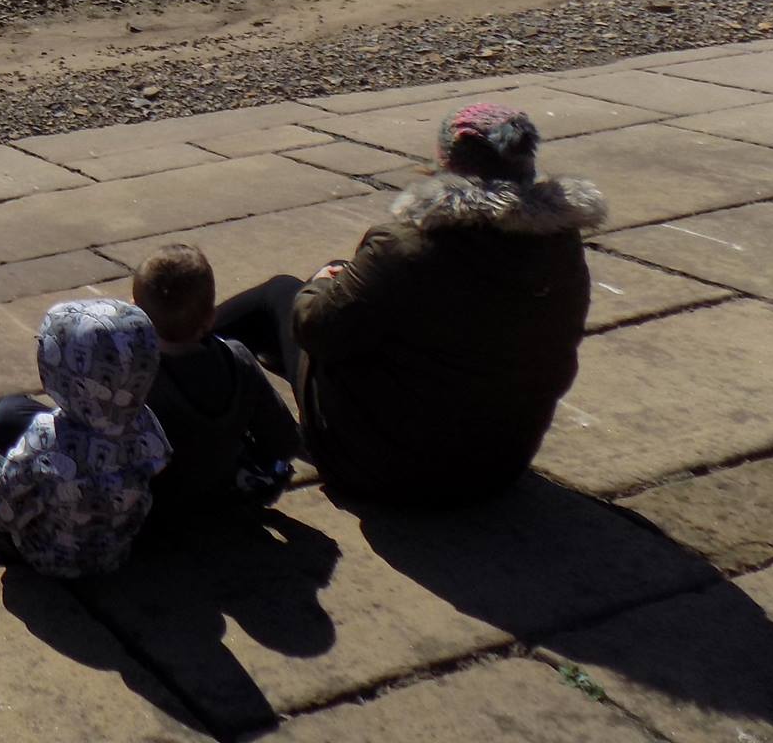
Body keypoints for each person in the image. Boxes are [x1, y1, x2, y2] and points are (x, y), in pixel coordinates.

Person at [214, 102, 601, 505]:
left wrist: (319, 285)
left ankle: (178, 354)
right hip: (499, 467)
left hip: (384, 473)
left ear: (445, 160)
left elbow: (316, 330)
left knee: (282, 295)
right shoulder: (561, 243)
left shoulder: (406, 246)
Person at [0, 298, 170, 577]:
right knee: (25, 470)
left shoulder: (47, 434)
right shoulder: (145, 423)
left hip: (40, 553)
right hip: (110, 555)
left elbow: (0, 510)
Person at [132, 244, 299, 509]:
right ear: (210, 318)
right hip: (221, 493)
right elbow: (285, 441)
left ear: (136, 314)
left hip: (159, 503)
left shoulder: (132, 372)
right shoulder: (238, 359)